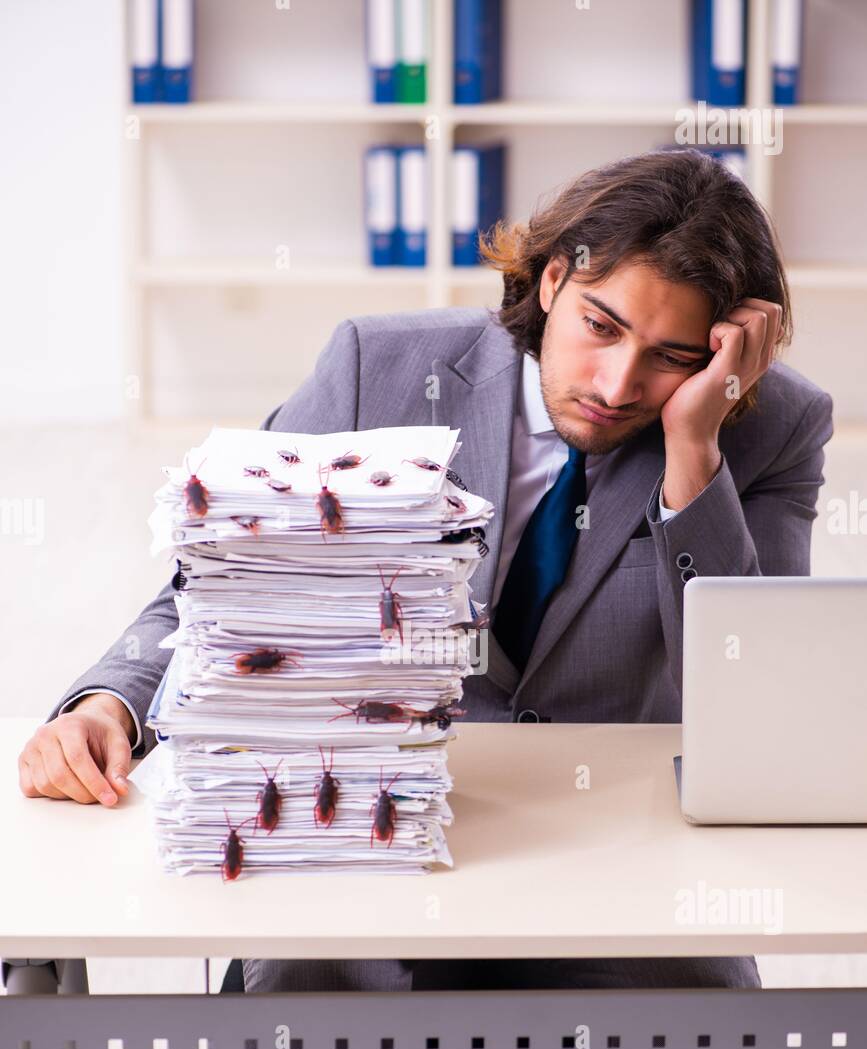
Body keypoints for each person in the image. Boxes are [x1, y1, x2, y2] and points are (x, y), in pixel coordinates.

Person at [16, 149, 834, 995]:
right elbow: (222, 579)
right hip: (369, 833)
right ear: (552, 281)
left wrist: (692, 450)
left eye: (671, 355)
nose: (618, 383)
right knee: (300, 1008)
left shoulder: (769, 428)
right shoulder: (380, 368)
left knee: (705, 1045)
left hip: (620, 858)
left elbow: (750, 696)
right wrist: (106, 703)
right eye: (601, 326)